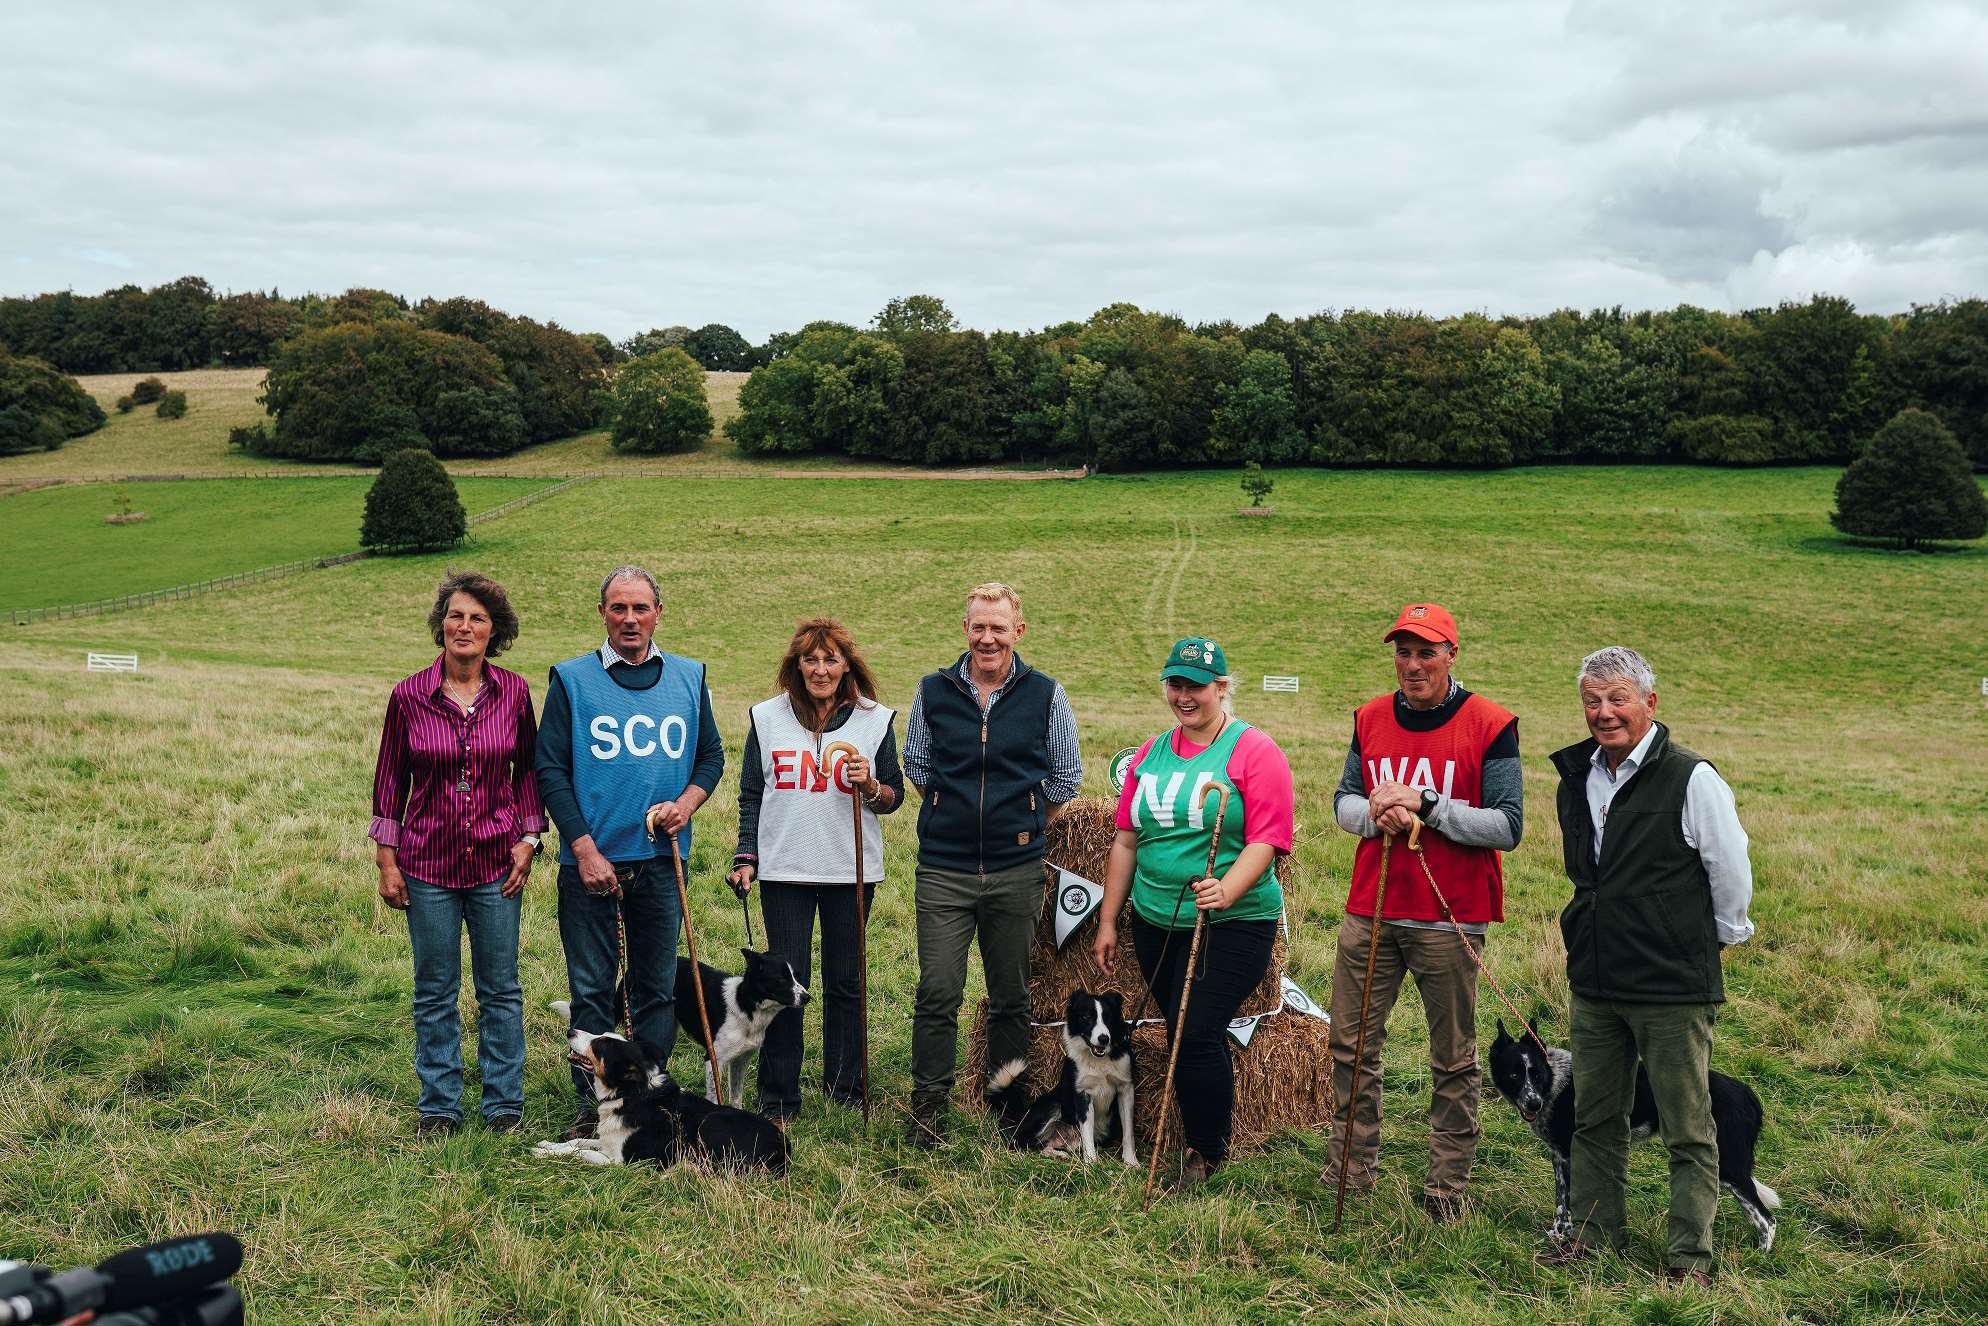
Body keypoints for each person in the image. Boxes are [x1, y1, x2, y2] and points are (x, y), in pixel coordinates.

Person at [1537, 646, 1754, 1286]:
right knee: (1594, 1117)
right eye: (1593, 701)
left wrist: (1712, 943)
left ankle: (1689, 1259)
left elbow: (1731, 869)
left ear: (1649, 703)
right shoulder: (1577, 776)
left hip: (1670, 987)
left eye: (1618, 699)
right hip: (1597, 981)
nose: (1604, 713)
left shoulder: (1691, 777)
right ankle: (1592, 1236)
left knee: (1688, 1125)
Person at [1324, 603, 1523, 1222]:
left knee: (1453, 1056)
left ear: (1451, 655)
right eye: (1404, 652)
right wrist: (1375, 813)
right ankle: (1349, 1173)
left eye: (1426, 652)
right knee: (1351, 1046)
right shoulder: (1370, 717)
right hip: (1373, 906)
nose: (1413, 665)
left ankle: (1446, 1186)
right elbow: (1342, 804)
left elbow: (1507, 826)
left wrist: (1429, 806)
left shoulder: (1491, 724)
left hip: (1450, 915)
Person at [1092, 637, 1293, 1190]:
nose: (1184, 696)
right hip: (1157, 920)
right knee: (1181, 1028)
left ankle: (1205, 1152)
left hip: (1234, 922)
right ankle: (1180, 1129)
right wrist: (1110, 919)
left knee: (1196, 1029)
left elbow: (1268, 839)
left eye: (1196, 687)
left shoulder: (1254, 750)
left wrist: (1227, 888)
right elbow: (1127, 842)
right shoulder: (1148, 754)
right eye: (1175, 685)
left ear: (1221, 689)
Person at [535, 564, 724, 1140]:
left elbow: (710, 758)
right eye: (618, 608)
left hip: (662, 861)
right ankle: (593, 1106)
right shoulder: (572, 679)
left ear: (658, 613)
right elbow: (550, 770)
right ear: (603, 615)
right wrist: (584, 848)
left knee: (655, 987)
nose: (630, 619)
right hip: (591, 862)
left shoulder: (689, 677)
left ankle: (650, 1096)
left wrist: (687, 804)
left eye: (640, 608)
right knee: (592, 987)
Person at [902, 581, 1082, 1147]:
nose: (987, 637)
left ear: (1018, 632)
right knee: (937, 992)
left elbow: (1066, 775)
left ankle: (1007, 1106)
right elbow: (917, 762)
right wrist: (953, 811)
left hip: (1016, 869)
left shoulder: (1046, 695)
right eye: (978, 626)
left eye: (998, 628)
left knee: (1011, 995)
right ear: (965, 629)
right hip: (944, 868)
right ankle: (928, 1107)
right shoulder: (933, 691)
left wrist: (1023, 820)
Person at [370, 571, 544, 1138]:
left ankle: (503, 1106)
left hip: (498, 865)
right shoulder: (409, 695)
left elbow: (528, 776)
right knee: (435, 989)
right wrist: (387, 860)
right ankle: (440, 1105)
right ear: (440, 625)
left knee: (500, 988)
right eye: (455, 615)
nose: (464, 626)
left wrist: (528, 839)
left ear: (495, 632)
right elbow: (389, 780)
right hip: (427, 866)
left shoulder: (514, 693)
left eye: (477, 618)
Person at [729, 618, 904, 1121]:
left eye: (830, 659)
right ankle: (779, 1096)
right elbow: (751, 794)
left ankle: (846, 1086)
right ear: (796, 665)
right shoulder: (767, 718)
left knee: (846, 980)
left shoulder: (874, 721)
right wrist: (747, 855)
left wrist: (869, 785)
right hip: (785, 870)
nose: (820, 669)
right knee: (786, 984)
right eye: (810, 659)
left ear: (847, 665)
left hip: (851, 871)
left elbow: (892, 797)